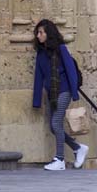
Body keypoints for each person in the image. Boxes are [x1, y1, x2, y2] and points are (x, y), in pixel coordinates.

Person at [31, 19, 88, 171]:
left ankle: (60, 159)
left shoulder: (61, 49)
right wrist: (36, 100)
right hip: (52, 93)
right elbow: (38, 77)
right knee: (53, 126)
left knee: (56, 123)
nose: (38, 35)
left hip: (64, 90)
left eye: (41, 32)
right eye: (37, 33)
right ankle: (78, 148)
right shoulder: (41, 54)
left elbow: (70, 70)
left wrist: (74, 93)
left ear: (48, 34)